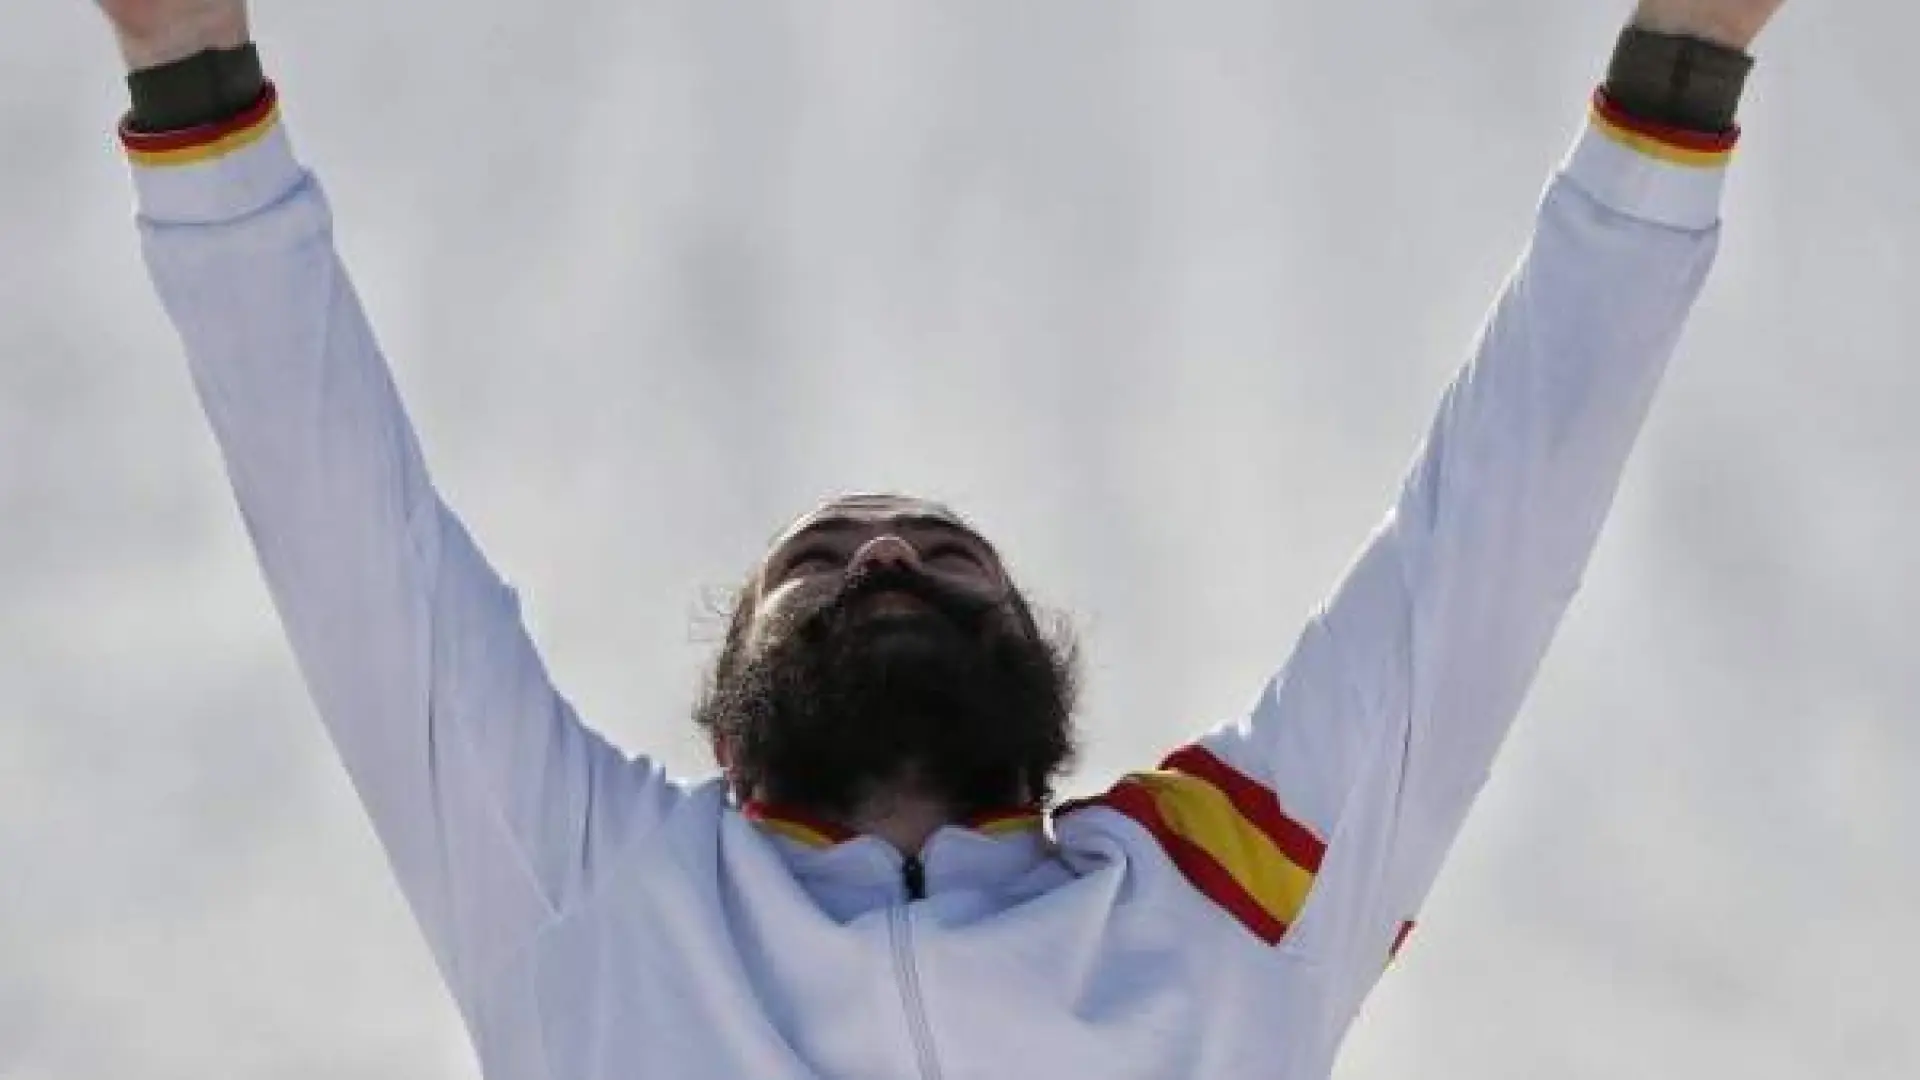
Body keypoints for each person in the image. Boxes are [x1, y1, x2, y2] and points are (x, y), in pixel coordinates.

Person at [90, 0, 1787, 1076]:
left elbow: (1491, 524)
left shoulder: (1220, 896)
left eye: (942, 555)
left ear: (1044, 671)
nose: (887, 560)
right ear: (721, 711)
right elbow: (346, 528)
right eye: (822, 564)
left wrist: (1690, 48)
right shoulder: (597, 891)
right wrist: (187, 63)